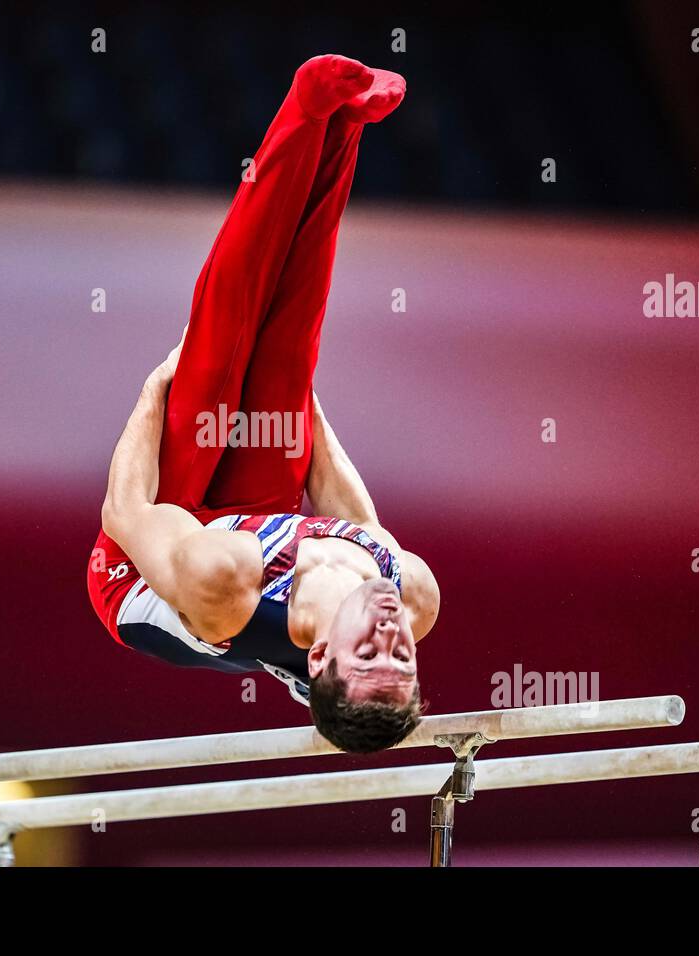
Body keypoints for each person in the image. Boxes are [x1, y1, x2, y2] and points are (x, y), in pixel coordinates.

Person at [87, 55, 439, 753]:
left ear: (318, 658)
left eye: (369, 658)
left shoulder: (227, 590)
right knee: (291, 341)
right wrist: (300, 399)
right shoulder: (413, 593)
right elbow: (350, 511)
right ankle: (346, 128)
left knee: (220, 342)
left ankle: (307, 107)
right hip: (259, 526)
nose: (391, 641)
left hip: (156, 552)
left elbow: (124, 514)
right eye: (404, 660)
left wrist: (154, 389)